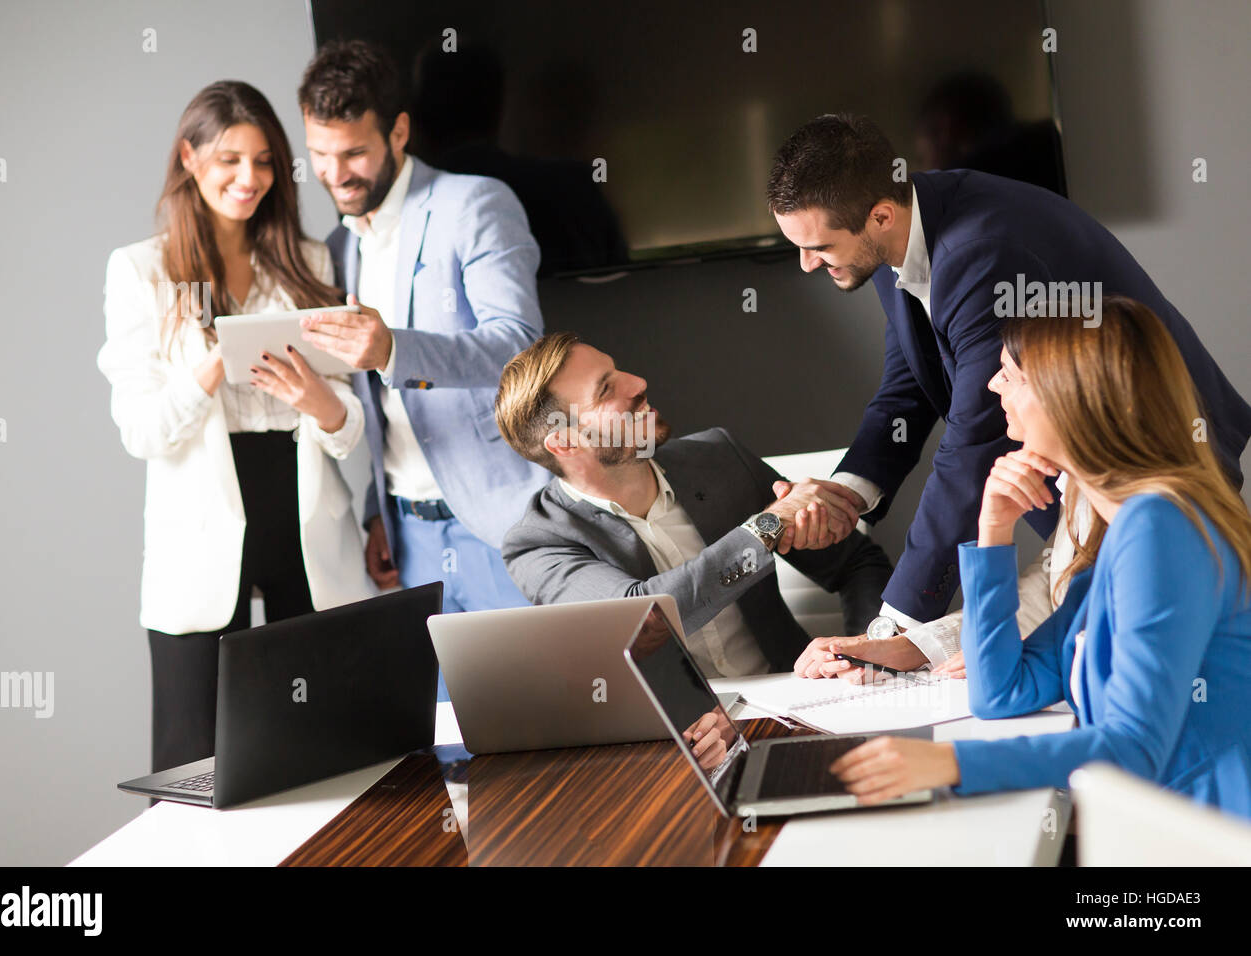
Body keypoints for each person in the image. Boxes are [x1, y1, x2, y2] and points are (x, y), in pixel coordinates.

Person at [767, 113, 1251, 675]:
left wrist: (894, 628)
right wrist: (845, 495)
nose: (806, 264)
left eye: (819, 246)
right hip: (1083, 505)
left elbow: (976, 437)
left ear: (880, 215)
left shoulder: (983, 250)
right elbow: (908, 388)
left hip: (1151, 456)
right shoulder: (883, 238)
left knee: (1168, 666)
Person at [830, 298, 1251, 821]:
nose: (992, 386)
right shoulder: (1111, 527)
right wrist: (993, 533)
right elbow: (1002, 692)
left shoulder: (1158, 527)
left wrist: (948, 763)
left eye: (1011, 374)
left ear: (1070, 396)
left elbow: (1134, 750)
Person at [96, 81, 375, 776]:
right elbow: (142, 431)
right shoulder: (141, 270)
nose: (248, 179)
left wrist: (319, 401)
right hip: (201, 533)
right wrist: (214, 366)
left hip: (304, 520)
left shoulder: (311, 261)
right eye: (228, 160)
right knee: (191, 767)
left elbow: (349, 424)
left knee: (321, 754)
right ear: (188, 159)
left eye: (264, 162)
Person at [294, 42, 549, 698]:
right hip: (405, 542)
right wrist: (382, 511)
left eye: (353, 153)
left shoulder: (475, 203)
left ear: (398, 130)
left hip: (499, 523)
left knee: (538, 730)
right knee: (442, 750)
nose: (335, 174)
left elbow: (519, 346)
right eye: (320, 156)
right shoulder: (335, 248)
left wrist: (392, 351)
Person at [496, 333, 894, 679]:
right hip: (675, 739)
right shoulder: (537, 543)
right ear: (564, 443)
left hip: (798, 695)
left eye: (618, 372)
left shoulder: (720, 459)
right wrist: (765, 528)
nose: (637, 383)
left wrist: (863, 652)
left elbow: (857, 564)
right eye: (605, 390)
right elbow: (644, 619)